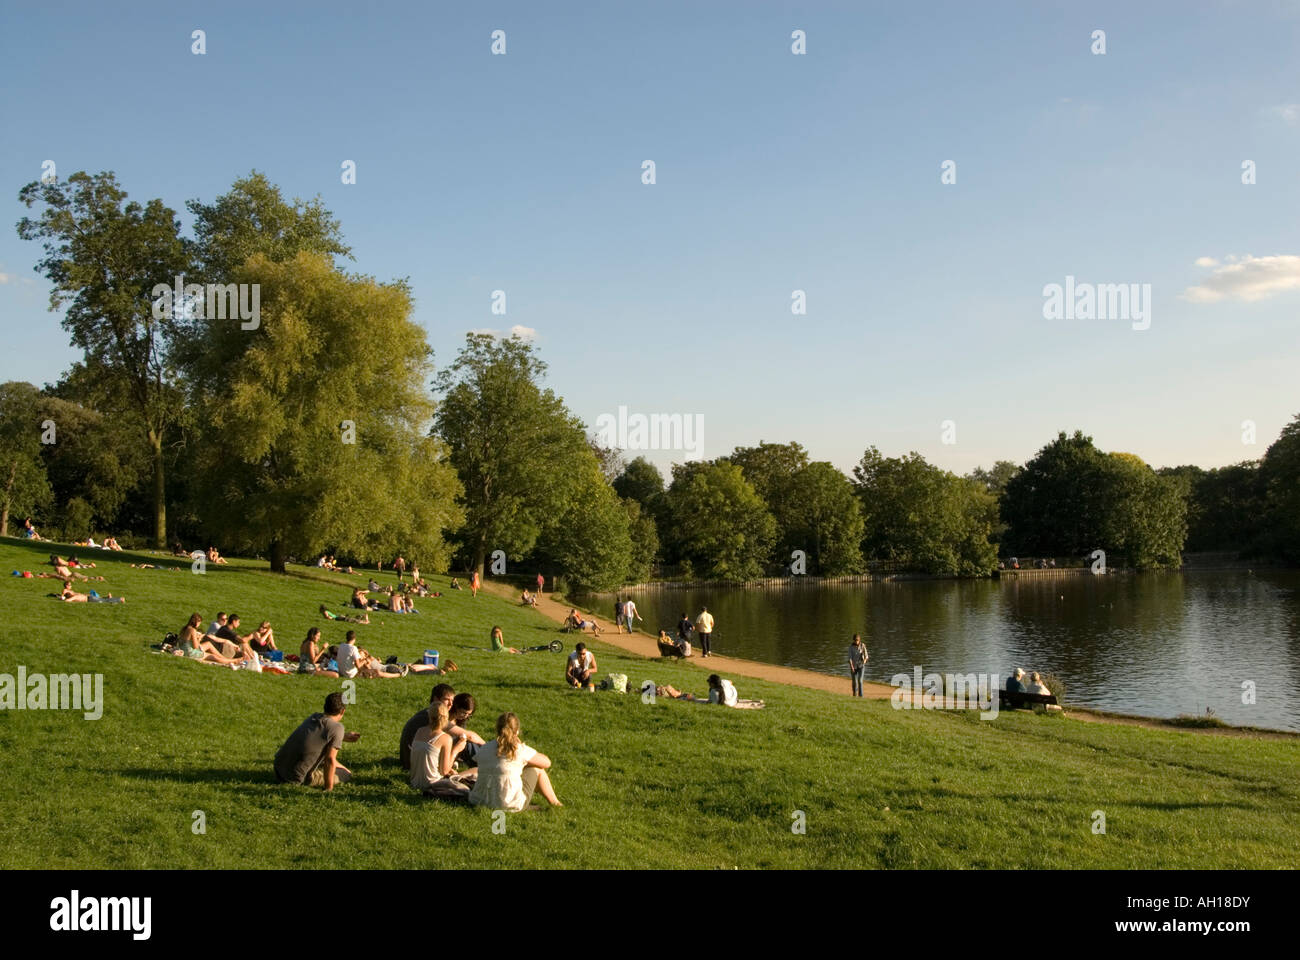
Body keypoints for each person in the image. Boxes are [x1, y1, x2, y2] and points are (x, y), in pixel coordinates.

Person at [468, 712, 562, 811]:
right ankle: (555, 803)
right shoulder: (519, 749)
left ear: (497, 730)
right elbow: (546, 763)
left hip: (479, 800)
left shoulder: (485, 748)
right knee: (537, 769)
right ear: (517, 731)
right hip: (508, 804)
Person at [274, 692, 360, 790]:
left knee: (330, 761)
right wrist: (328, 788)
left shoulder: (314, 717)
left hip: (279, 769)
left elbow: (321, 735)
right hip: (295, 778)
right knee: (345, 773)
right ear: (343, 711)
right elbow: (329, 760)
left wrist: (343, 737)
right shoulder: (337, 728)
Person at [409, 700, 476, 798]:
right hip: (433, 782)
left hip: (414, 782)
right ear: (447, 717)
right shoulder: (445, 738)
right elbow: (444, 771)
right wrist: (457, 749)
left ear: (429, 715)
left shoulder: (419, 731)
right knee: (475, 772)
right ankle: (436, 793)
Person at [400, 684, 456, 771]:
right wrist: (457, 749)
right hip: (415, 765)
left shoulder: (426, 716)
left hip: (413, 767)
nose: (450, 704)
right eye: (446, 699)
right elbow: (468, 735)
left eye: (452, 700)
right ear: (436, 699)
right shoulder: (432, 717)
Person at [175, 612, 241, 664]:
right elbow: (196, 647)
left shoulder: (184, 628)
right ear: (196, 622)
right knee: (212, 656)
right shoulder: (192, 630)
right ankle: (231, 661)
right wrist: (199, 638)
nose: (199, 625)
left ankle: (226, 659)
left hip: (184, 649)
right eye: (199, 623)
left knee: (208, 644)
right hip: (189, 653)